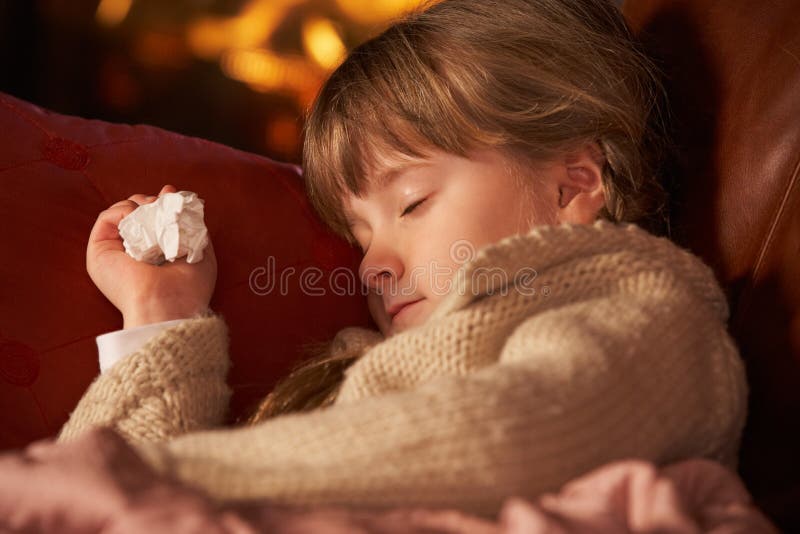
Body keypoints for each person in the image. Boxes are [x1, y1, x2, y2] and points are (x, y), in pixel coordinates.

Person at [60, 0, 747, 515]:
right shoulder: (356, 369)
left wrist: (157, 482)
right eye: (358, 236)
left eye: (413, 203)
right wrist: (162, 313)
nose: (370, 265)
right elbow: (101, 510)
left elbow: (503, 434)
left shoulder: (649, 317)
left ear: (573, 186)